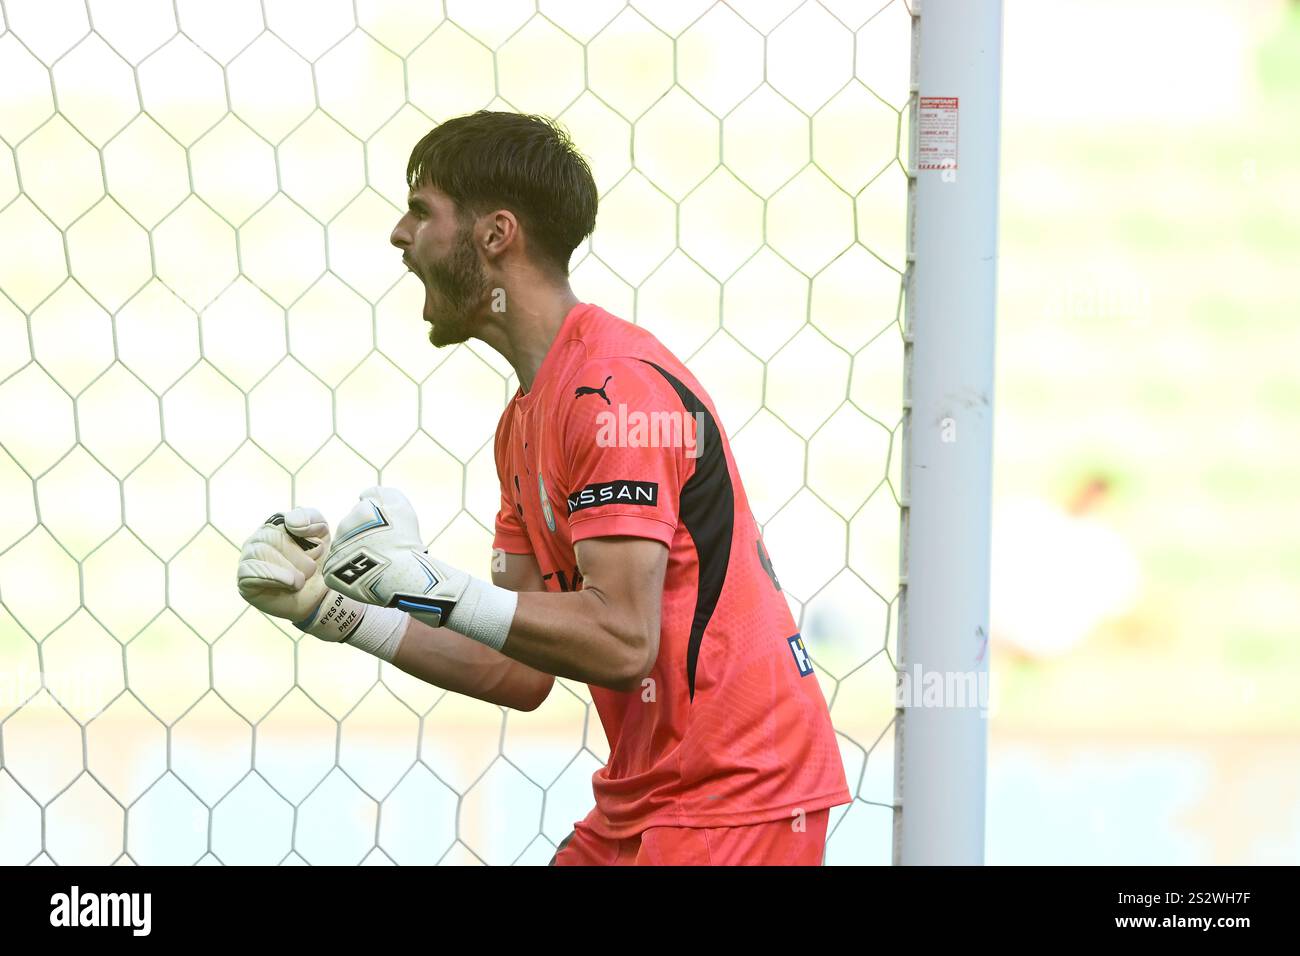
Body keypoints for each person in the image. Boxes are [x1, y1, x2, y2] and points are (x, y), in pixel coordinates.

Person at [236, 111, 850, 866]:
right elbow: (517, 668)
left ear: (496, 235)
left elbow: (623, 642)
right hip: (650, 798)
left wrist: (429, 581)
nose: (401, 234)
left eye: (422, 210)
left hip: (736, 804)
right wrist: (333, 611)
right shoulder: (523, 423)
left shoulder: (613, 396)